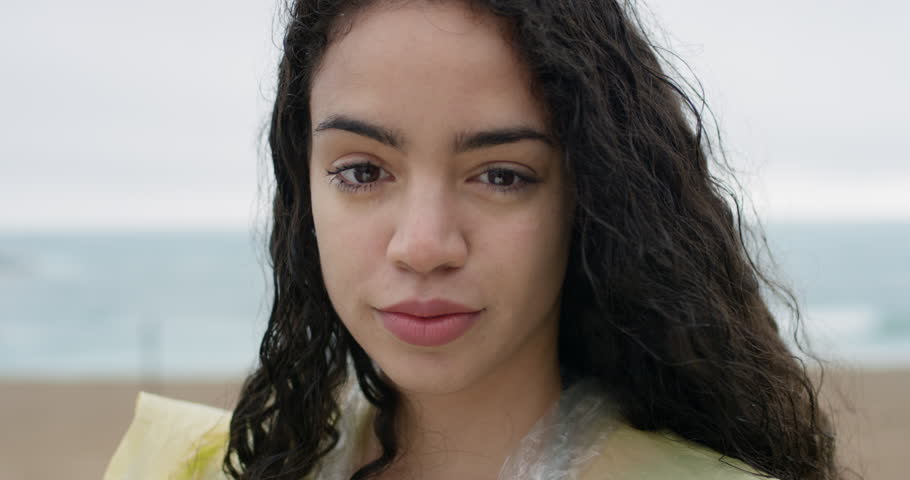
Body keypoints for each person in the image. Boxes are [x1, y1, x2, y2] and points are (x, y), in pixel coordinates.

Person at [104, 1, 842, 479]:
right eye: (362, 171)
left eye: (501, 176)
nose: (424, 245)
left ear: (592, 196)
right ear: (303, 193)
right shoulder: (188, 470)